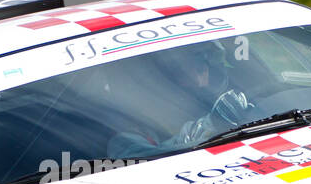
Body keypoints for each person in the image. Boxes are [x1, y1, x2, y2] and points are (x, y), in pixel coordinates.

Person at [108, 41, 263, 158]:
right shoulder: (127, 139)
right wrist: (209, 126)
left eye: (203, 64)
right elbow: (150, 159)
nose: (200, 78)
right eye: (182, 70)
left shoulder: (237, 102)